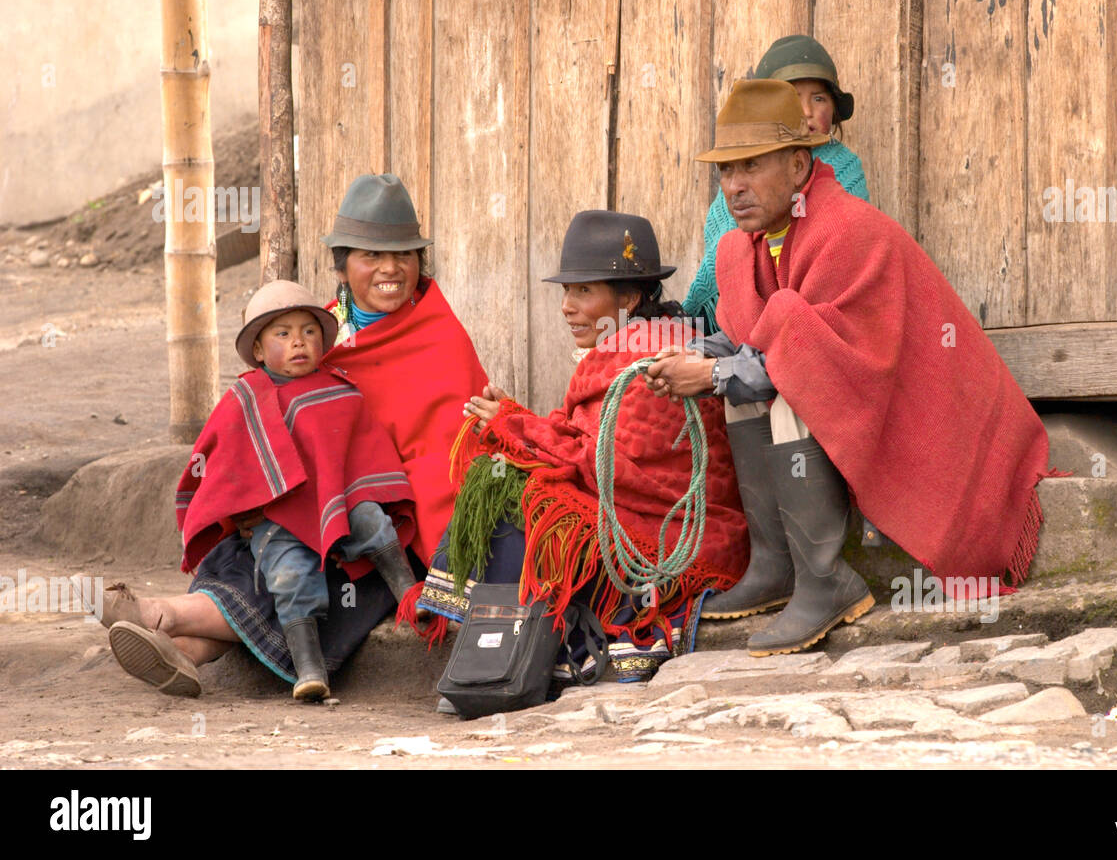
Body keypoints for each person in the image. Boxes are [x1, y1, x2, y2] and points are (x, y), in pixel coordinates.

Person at [645, 80, 1051, 657]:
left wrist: (711, 375)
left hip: (925, 414)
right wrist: (692, 359)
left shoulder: (847, 229)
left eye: (752, 167)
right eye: (725, 172)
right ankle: (775, 566)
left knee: (792, 357)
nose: (735, 187)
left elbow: (808, 354)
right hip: (840, 398)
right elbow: (747, 344)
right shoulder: (739, 248)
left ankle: (825, 579)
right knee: (757, 372)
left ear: (797, 164)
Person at [98, 174, 488, 694]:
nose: (391, 268)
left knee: (314, 559)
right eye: (371, 254)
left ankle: (162, 616)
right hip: (307, 499)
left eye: (404, 254)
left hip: (390, 523)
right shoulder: (315, 330)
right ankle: (189, 650)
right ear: (343, 265)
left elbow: (445, 458)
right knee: (262, 542)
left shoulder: (438, 340)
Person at [414, 211, 749, 682]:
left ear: (629, 298)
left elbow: (609, 468)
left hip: (673, 538)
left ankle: (521, 649)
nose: (567, 307)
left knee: (516, 498)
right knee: (501, 474)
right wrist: (518, 423)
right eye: (567, 292)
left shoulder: (653, 363)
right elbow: (586, 444)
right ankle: (505, 647)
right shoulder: (636, 344)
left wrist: (516, 427)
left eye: (584, 291)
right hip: (645, 521)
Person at [107, 280, 421, 701]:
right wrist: (243, 509)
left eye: (309, 332)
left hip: (344, 531)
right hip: (273, 528)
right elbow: (223, 468)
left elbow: (361, 456)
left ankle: (177, 645)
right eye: (283, 334)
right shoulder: (246, 398)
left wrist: (345, 501)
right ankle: (164, 627)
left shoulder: (338, 389)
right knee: (286, 577)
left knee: (367, 524)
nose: (299, 343)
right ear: (257, 350)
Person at [682, 35, 869, 337]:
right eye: (793, 99)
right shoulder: (740, 179)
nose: (807, 111)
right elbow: (727, 243)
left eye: (818, 98)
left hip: (814, 309)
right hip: (750, 313)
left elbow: (842, 245)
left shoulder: (843, 169)